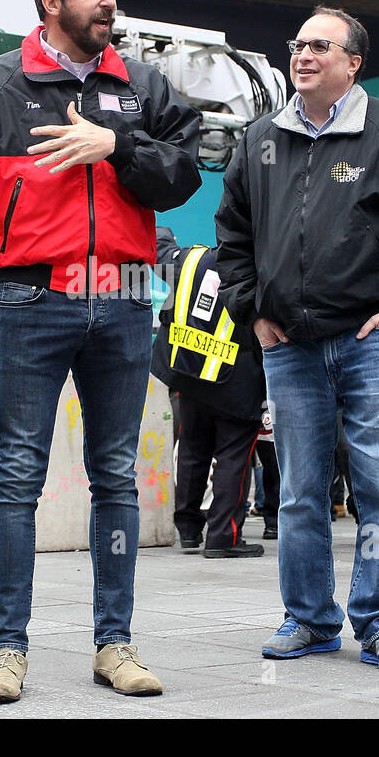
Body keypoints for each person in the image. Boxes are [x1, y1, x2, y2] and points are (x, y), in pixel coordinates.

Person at [0, 0, 202, 703]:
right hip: (32, 301)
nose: (109, 1)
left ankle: (115, 644)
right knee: (18, 480)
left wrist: (117, 143)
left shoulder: (141, 85)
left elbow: (184, 173)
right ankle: (6, 651)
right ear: (51, 1)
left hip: (128, 297)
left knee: (115, 478)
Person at [216, 6, 379, 671]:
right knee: (298, 490)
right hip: (288, 345)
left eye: (322, 45)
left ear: (355, 63)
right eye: (298, 43)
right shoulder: (259, 139)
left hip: (371, 340)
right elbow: (232, 239)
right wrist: (252, 310)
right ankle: (310, 619)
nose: (304, 54)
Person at [152, 227, 267, 558]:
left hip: (191, 372)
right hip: (238, 379)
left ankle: (188, 530)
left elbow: (160, 252)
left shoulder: (192, 259)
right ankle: (223, 536)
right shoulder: (264, 266)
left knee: (191, 449)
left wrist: (163, 234)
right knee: (233, 457)